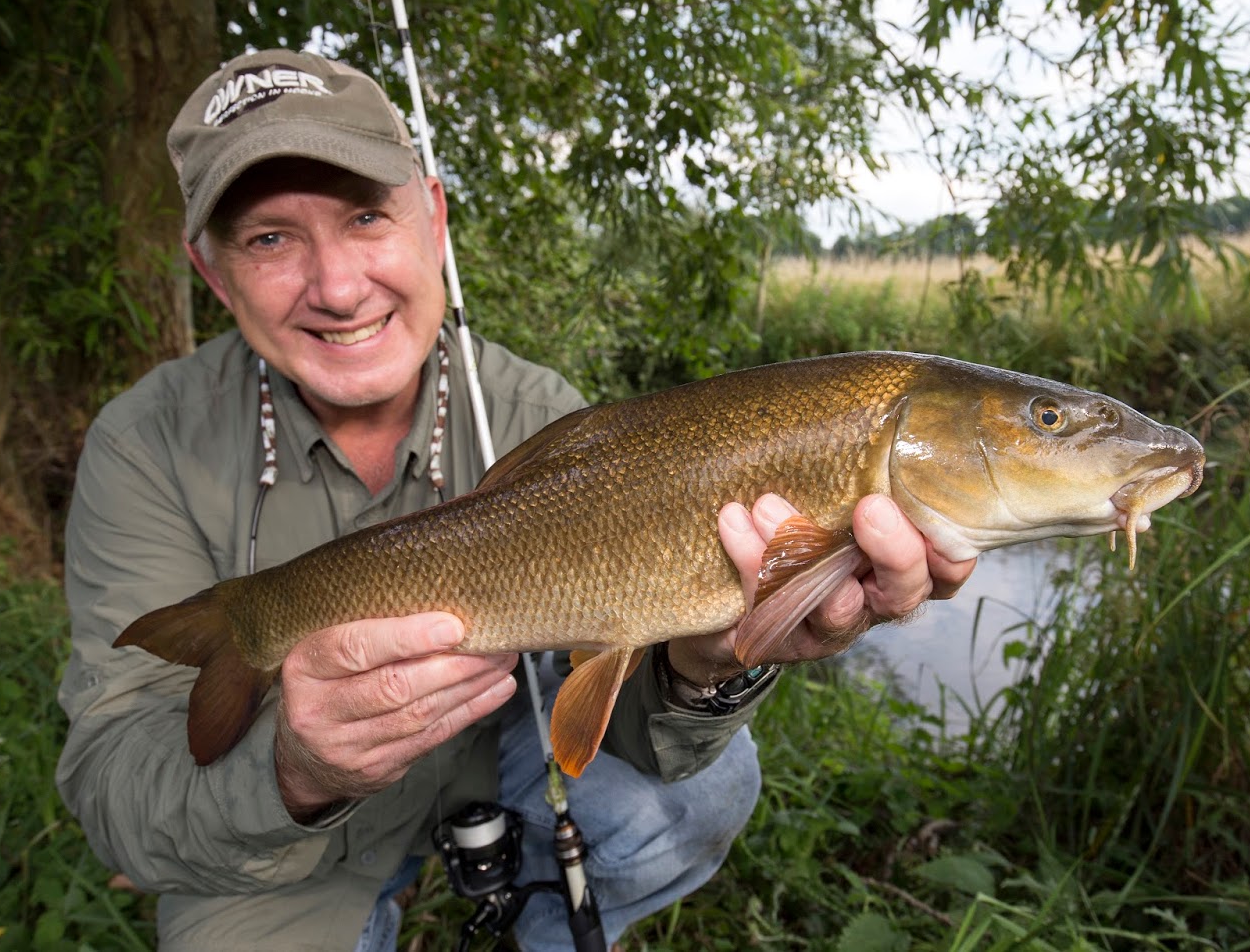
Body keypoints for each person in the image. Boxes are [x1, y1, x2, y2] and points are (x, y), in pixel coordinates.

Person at [55, 48, 975, 951]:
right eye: (268, 238)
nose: (337, 287)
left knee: (707, 785)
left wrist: (703, 666)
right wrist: (295, 770)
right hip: (290, 855)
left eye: (368, 216)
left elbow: (625, 711)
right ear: (211, 273)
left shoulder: (542, 418)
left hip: (501, 775)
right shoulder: (146, 446)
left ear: (435, 220)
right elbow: (117, 793)